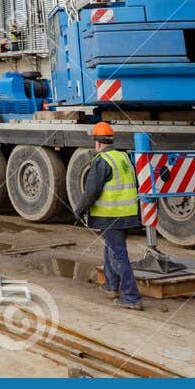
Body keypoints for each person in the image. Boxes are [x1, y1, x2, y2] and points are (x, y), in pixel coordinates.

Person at [71, 122, 144, 311]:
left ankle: (131, 297)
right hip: (127, 213)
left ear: (97, 143)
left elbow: (91, 191)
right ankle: (111, 286)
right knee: (111, 248)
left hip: (110, 215)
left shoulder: (101, 160)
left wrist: (79, 210)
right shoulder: (123, 157)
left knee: (118, 254)